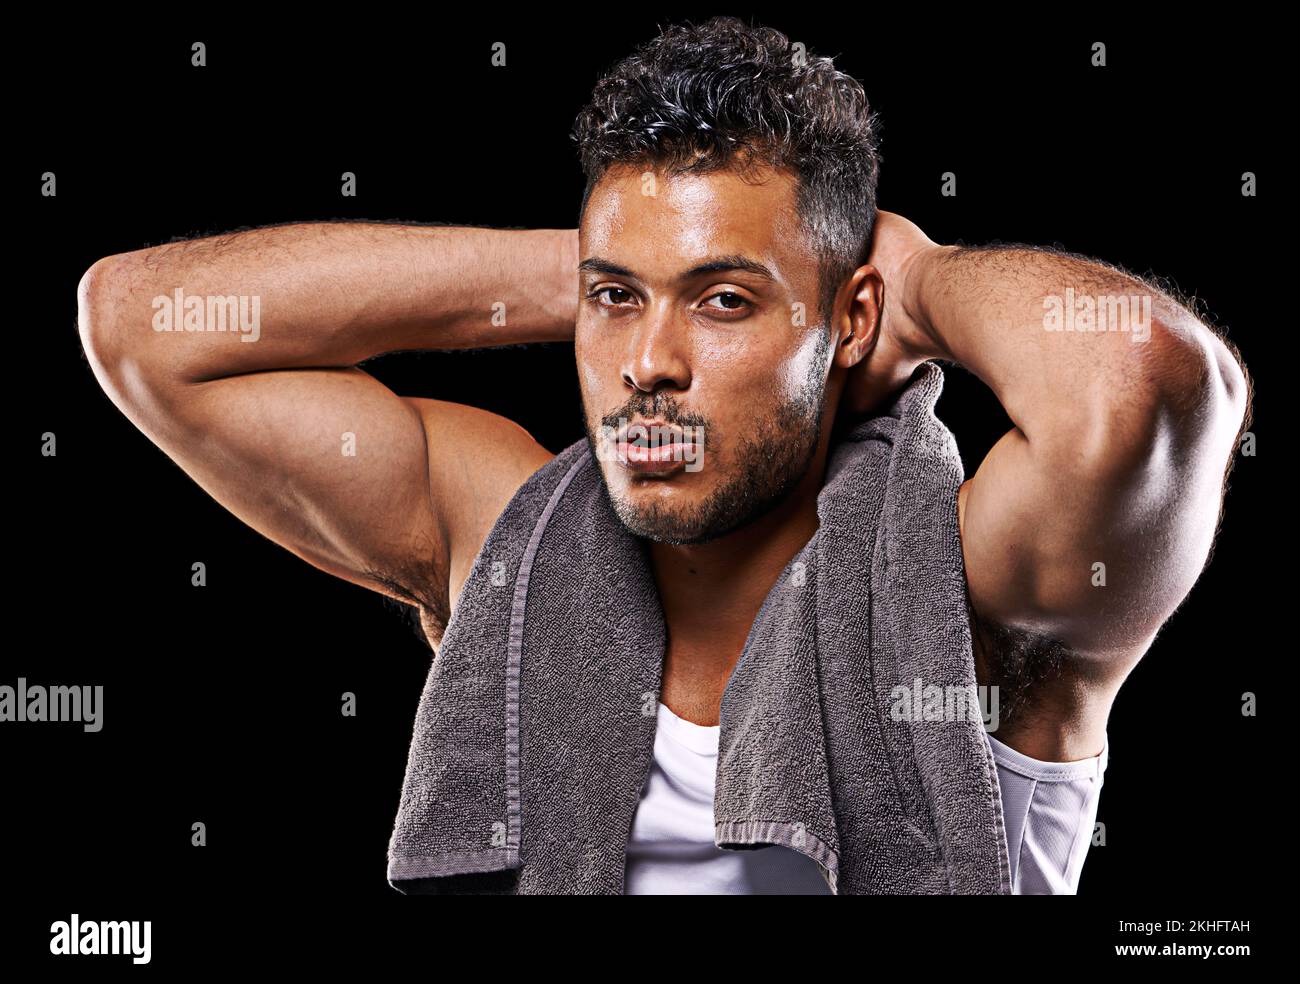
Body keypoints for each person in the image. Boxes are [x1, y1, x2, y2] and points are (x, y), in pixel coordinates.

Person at [76, 17, 1250, 894]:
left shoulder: (972, 582)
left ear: (848, 320)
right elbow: (144, 326)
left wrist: (923, 283)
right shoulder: (508, 539)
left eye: (725, 304)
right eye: (614, 304)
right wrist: (617, 270)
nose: (648, 361)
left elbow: (1145, 373)